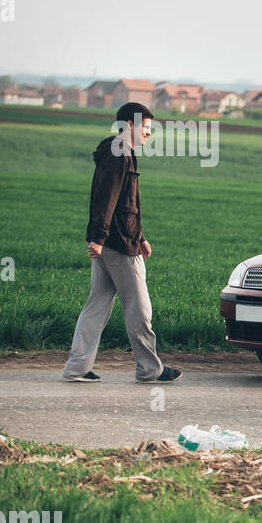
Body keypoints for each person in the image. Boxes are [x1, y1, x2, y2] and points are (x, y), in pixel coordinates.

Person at [62, 102, 181, 384]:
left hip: (116, 242)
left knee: (96, 306)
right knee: (140, 309)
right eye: (147, 128)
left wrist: (139, 237)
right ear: (130, 125)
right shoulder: (120, 153)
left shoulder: (117, 151)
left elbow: (124, 204)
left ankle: (77, 368)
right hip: (118, 246)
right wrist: (99, 237)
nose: (149, 134)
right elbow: (107, 199)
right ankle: (150, 369)